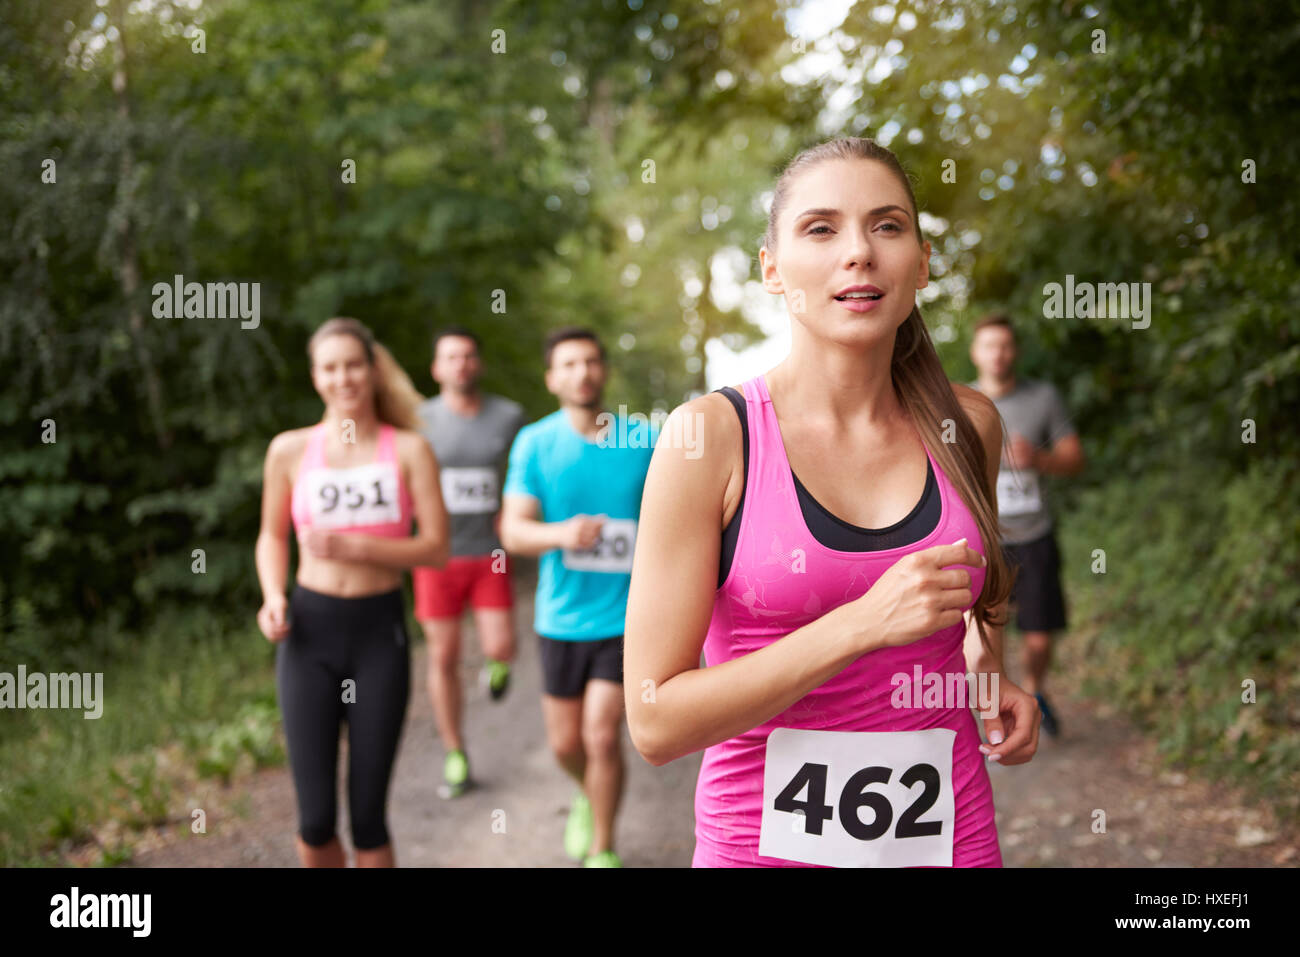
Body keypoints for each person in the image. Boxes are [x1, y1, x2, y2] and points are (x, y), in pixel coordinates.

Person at [624, 136, 1041, 868]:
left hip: (950, 842)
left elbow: (975, 604)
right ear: (773, 269)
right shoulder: (710, 438)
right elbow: (655, 721)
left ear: (922, 259)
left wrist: (988, 675)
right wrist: (858, 625)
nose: (859, 252)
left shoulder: (967, 423)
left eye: (887, 225)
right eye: (821, 228)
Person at [255, 317, 449, 867]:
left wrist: (358, 548)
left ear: (373, 370)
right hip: (309, 633)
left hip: (377, 637)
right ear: (316, 376)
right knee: (314, 821)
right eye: (330, 367)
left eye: (353, 365)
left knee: (368, 818)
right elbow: (271, 536)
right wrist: (273, 595)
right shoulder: (289, 451)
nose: (344, 378)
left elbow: (435, 547)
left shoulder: (410, 450)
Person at [499, 328, 656, 868]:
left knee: (600, 734)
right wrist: (560, 534)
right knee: (566, 745)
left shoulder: (641, 440)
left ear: (603, 371)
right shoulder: (535, 443)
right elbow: (513, 531)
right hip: (562, 619)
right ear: (552, 378)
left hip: (626, 618)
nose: (582, 372)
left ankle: (602, 847)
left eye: (591, 361)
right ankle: (587, 791)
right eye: (568, 364)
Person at [413, 326, 526, 798]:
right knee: (443, 656)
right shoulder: (417, 419)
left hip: (490, 554)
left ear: (477, 364)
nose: (460, 364)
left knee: (501, 645)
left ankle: (495, 668)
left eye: (468, 356)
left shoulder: (508, 416)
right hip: (436, 555)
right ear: (437, 368)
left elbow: (523, 472)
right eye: (450, 357)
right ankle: (455, 752)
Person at [968, 314, 1084, 737]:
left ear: (1014, 352)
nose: (997, 354)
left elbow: (1075, 458)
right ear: (975, 353)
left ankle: (1034, 691)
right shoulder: (961, 402)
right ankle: (998, 713)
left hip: (1034, 534)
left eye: (1004, 346)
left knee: (1038, 636)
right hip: (985, 539)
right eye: (988, 345)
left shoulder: (1043, 399)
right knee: (987, 637)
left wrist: (1039, 459)